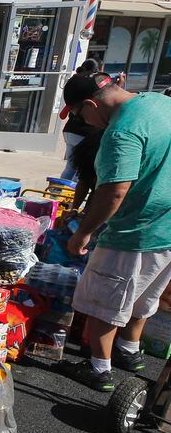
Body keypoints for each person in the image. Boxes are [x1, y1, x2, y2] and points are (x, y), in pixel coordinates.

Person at [58, 72, 171, 391]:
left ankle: (99, 367)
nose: (87, 123)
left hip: (134, 232)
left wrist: (84, 233)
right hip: (168, 228)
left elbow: (114, 192)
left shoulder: (121, 132)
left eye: (81, 115)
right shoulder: (161, 104)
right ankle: (129, 352)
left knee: (104, 300)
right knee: (145, 295)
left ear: (92, 104)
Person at [59, 58, 101, 180]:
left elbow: (63, 113)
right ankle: (71, 194)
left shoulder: (75, 83)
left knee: (70, 166)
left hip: (70, 130)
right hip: (83, 133)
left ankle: (57, 190)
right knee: (80, 169)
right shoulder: (90, 85)